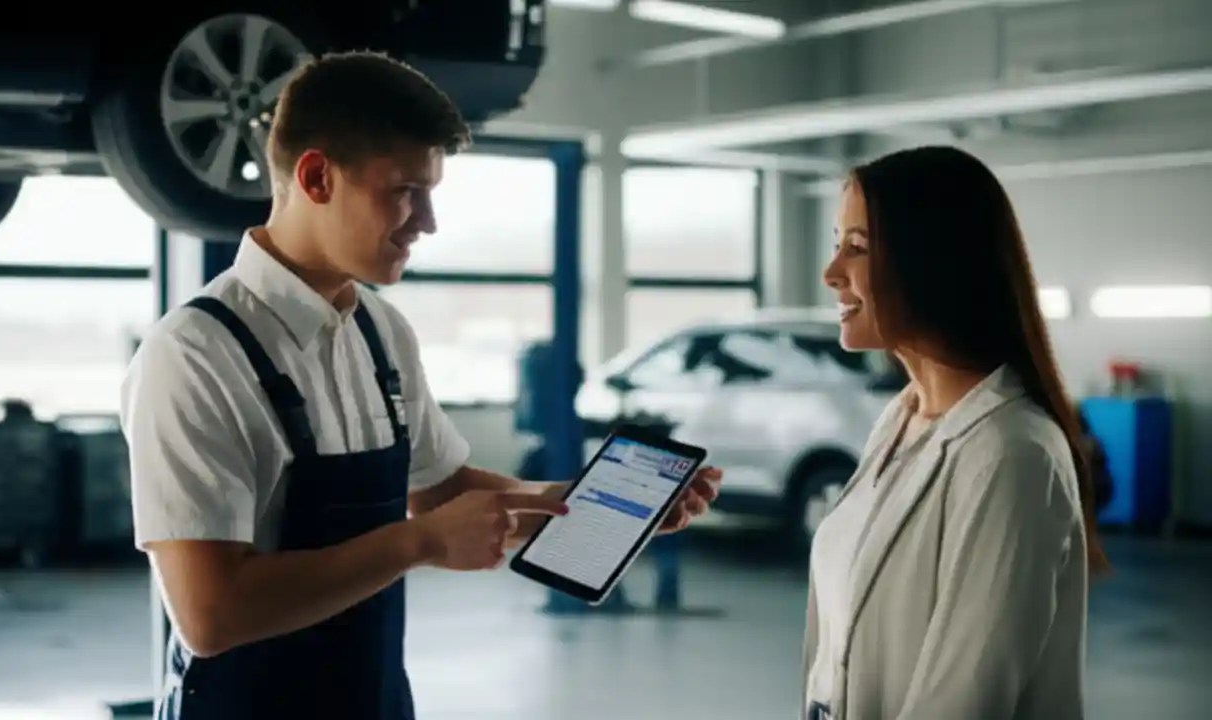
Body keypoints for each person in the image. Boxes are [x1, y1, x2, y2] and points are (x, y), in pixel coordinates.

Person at [120, 50, 722, 720]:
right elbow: (211, 613)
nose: (427, 222)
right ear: (317, 176)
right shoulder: (195, 355)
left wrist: (598, 509)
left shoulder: (380, 330)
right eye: (406, 190)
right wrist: (422, 542)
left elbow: (445, 491)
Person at [802, 145, 1108, 720]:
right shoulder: (900, 420)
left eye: (858, 247)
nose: (832, 272)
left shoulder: (1011, 453)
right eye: (836, 243)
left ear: (932, 261)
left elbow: (964, 699)